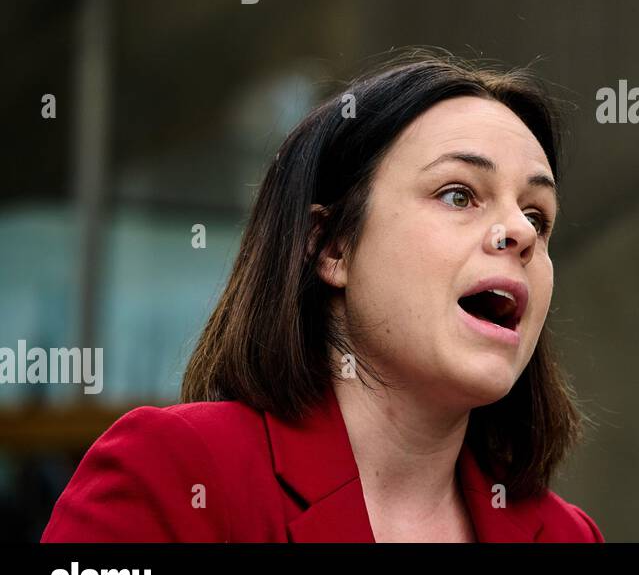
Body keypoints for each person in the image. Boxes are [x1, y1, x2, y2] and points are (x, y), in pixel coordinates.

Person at [42, 48, 604, 542]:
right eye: (458, 195)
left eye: (538, 214)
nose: (522, 232)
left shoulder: (565, 536)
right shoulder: (173, 476)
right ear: (331, 247)